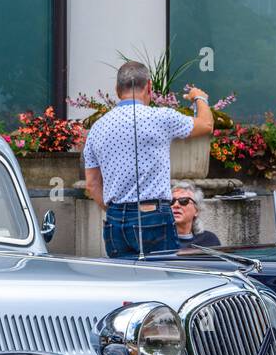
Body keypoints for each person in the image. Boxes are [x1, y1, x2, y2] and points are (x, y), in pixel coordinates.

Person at [83, 61, 214, 259]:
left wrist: (116, 212)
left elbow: (92, 185)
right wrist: (199, 98)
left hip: (115, 219)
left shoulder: (97, 129)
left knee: (125, 284)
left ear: (118, 90)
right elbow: (206, 124)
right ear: (149, 87)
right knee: (161, 281)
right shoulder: (161, 117)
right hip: (153, 215)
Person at [170, 183, 221, 248]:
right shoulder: (157, 241)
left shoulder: (209, 241)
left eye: (184, 201)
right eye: (171, 201)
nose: (176, 205)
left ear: (196, 210)